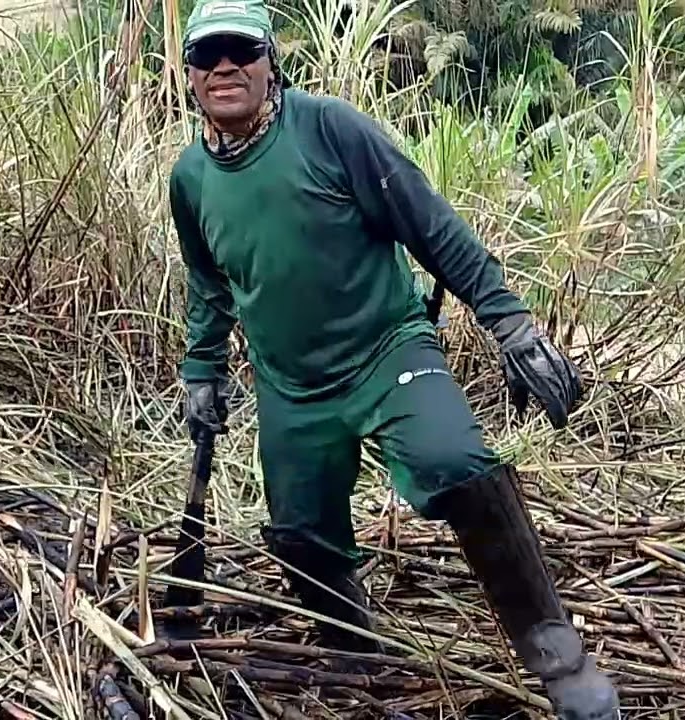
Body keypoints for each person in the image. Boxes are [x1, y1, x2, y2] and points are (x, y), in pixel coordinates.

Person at [169, 0, 621, 717]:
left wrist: (510, 323)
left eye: (240, 48)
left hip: (387, 349)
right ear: (188, 72)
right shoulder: (191, 177)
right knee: (298, 534)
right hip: (292, 385)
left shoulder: (329, 129)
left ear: (268, 60)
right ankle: (357, 658)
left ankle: (556, 653)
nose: (224, 65)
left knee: (454, 464)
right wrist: (201, 372)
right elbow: (209, 284)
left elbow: (429, 223)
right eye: (206, 54)